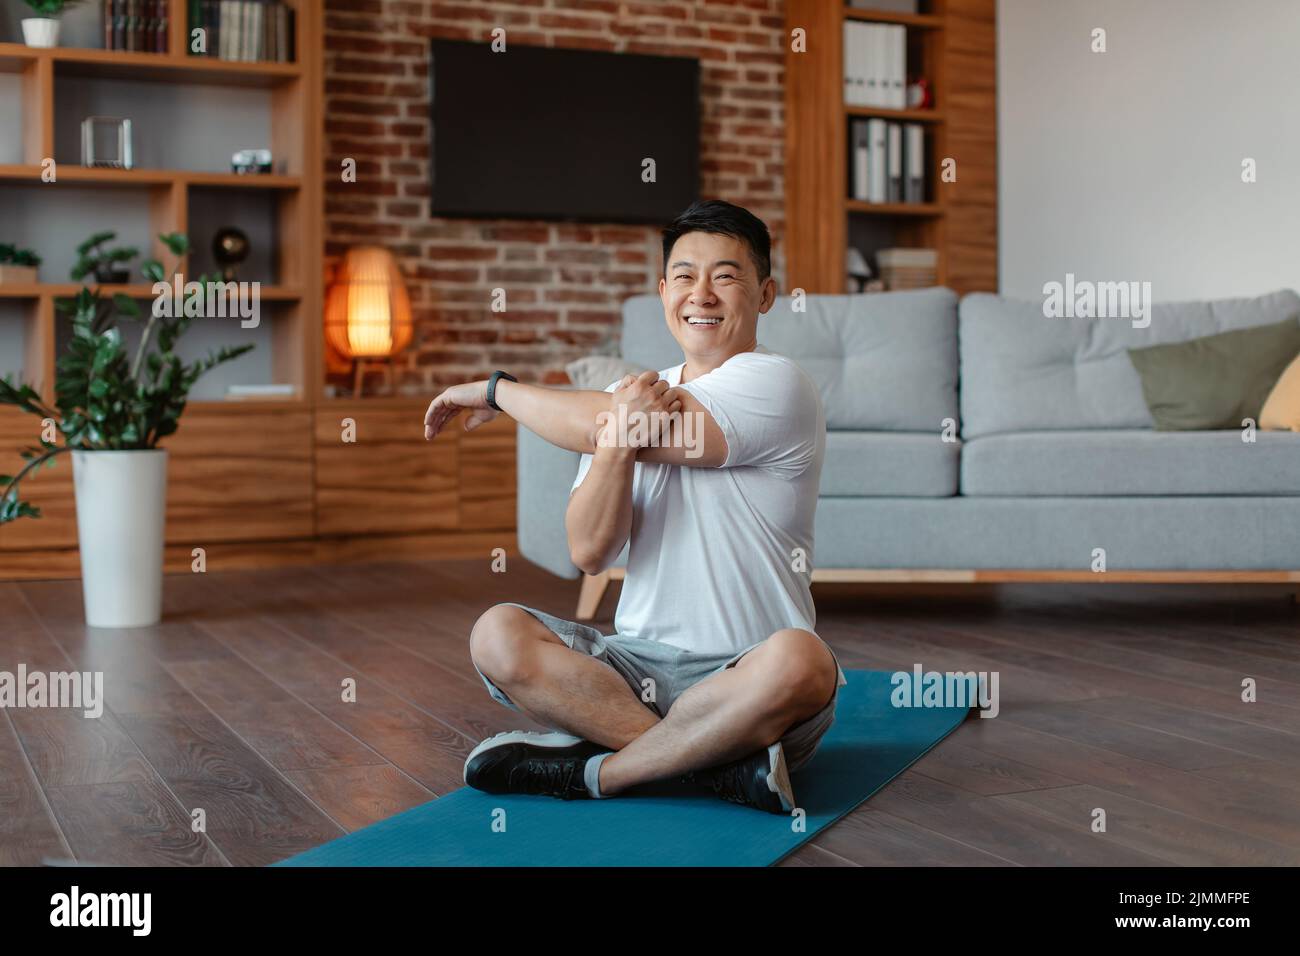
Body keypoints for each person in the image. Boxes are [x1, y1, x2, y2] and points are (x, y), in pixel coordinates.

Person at [422, 199, 845, 813]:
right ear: (663, 291)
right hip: (632, 675)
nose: (701, 293)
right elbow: (590, 551)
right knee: (497, 636)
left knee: (803, 660)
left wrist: (497, 390)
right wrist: (615, 442)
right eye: (684, 276)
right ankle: (718, 769)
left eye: (725, 276)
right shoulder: (629, 401)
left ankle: (603, 774)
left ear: (767, 293)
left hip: (748, 680)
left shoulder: (776, 382)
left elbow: (632, 428)